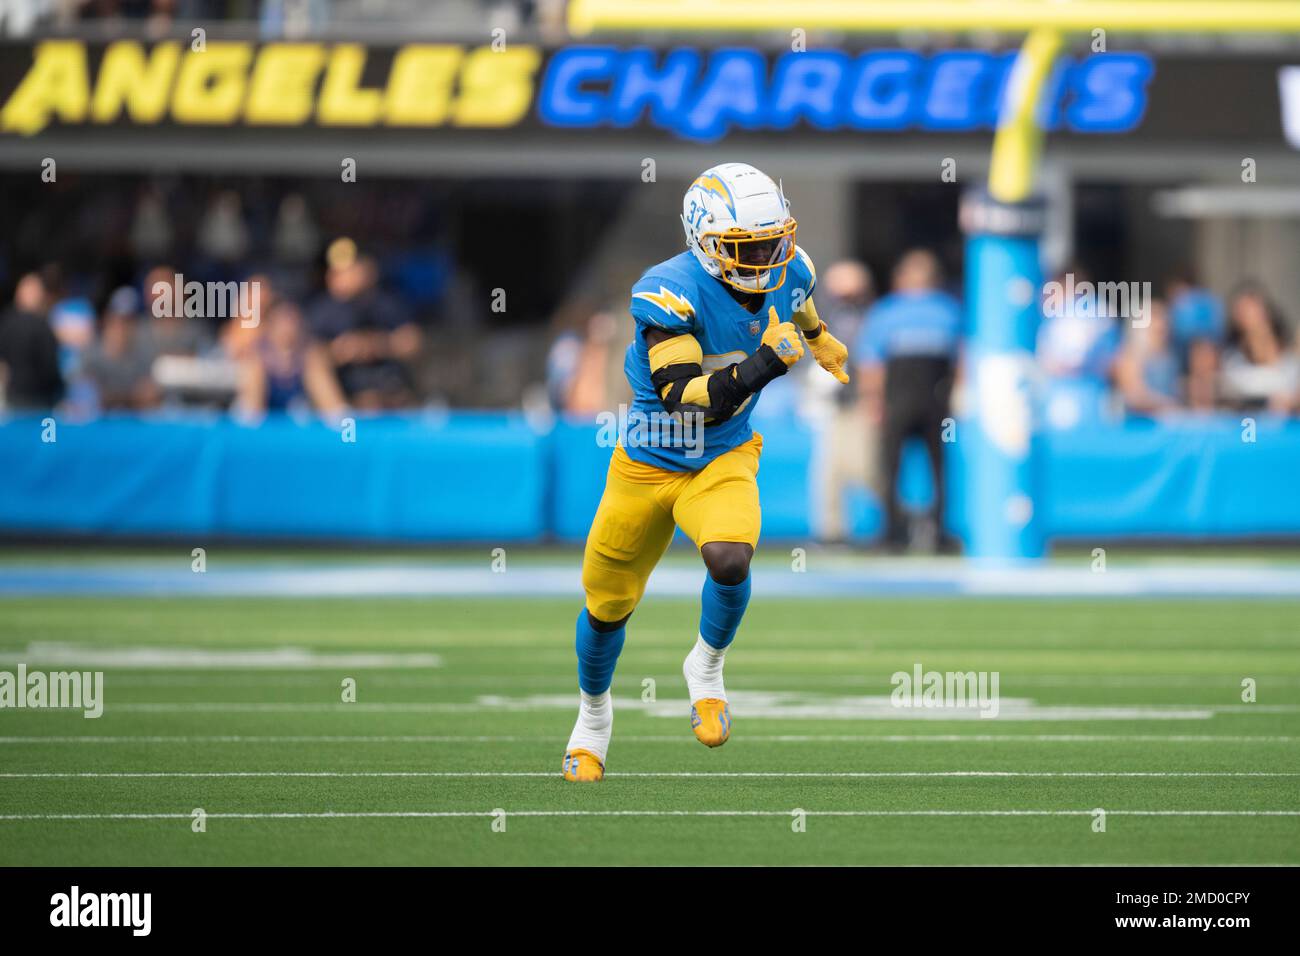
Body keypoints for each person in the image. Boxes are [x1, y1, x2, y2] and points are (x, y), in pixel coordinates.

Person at [562, 163, 851, 782]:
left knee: (730, 558)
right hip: (648, 462)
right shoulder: (667, 292)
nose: (771, 258)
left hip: (722, 456)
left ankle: (707, 666)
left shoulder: (792, 269)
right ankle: (592, 716)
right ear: (707, 243)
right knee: (607, 605)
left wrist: (819, 336)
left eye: (776, 241)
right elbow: (687, 398)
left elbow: (796, 299)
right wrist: (769, 362)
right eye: (752, 248)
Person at [856, 249, 961, 552]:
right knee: (926, 468)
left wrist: (872, 401)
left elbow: (871, 364)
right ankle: (910, 533)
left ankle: (898, 535)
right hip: (927, 402)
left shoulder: (888, 311)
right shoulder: (946, 309)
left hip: (908, 402)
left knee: (900, 468)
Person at [306, 239, 422, 409]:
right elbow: (309, 354)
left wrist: (375, 345)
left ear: (368, 269)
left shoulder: (386, 303)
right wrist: (340, 350)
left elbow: (413, 342)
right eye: (336, 270)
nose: (338, 276)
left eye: (348, 269)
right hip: (347, 394)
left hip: (389, 389)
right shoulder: (324, 311)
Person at [235, 300, 347, 417]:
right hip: (262, 414)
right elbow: (250, 401)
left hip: (301, 411)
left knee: (316, 371)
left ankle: (342, 429)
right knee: (254, 370)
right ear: (270, 325)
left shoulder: (310, 351)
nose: (287, 328)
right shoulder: (257, 352)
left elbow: (331, 401)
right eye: (281, 322)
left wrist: (338, 415)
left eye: (291, 322)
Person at [1218, 280, 1299, 413]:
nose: (1250, 317)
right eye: (1243, 313)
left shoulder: (1292, 362)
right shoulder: (1233, 366)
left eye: (1253, 309)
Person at [82, 287, 160, 411]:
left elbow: (150, 395)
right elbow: (87, 398)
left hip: (132, 424)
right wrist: (130, 398)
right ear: (107, 320)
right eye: (116, 320)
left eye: (128, 321)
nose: (121, 327)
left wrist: (113, 397)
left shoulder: (143, 355)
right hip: (98, 425)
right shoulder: (91, 354)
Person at [0, 272, 63, 410]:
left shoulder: (5, 323)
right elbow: (50, 368)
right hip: (40, 401)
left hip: (14, 398)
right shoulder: (43, 326)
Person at [1115, 299, 1181, 415]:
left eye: (1162, 318)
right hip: (1138, 426)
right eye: (1154, 318)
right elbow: (1134, 397)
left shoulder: (1169, 358)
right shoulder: (1129, 357)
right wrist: (1167, 405)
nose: (1162, 324)